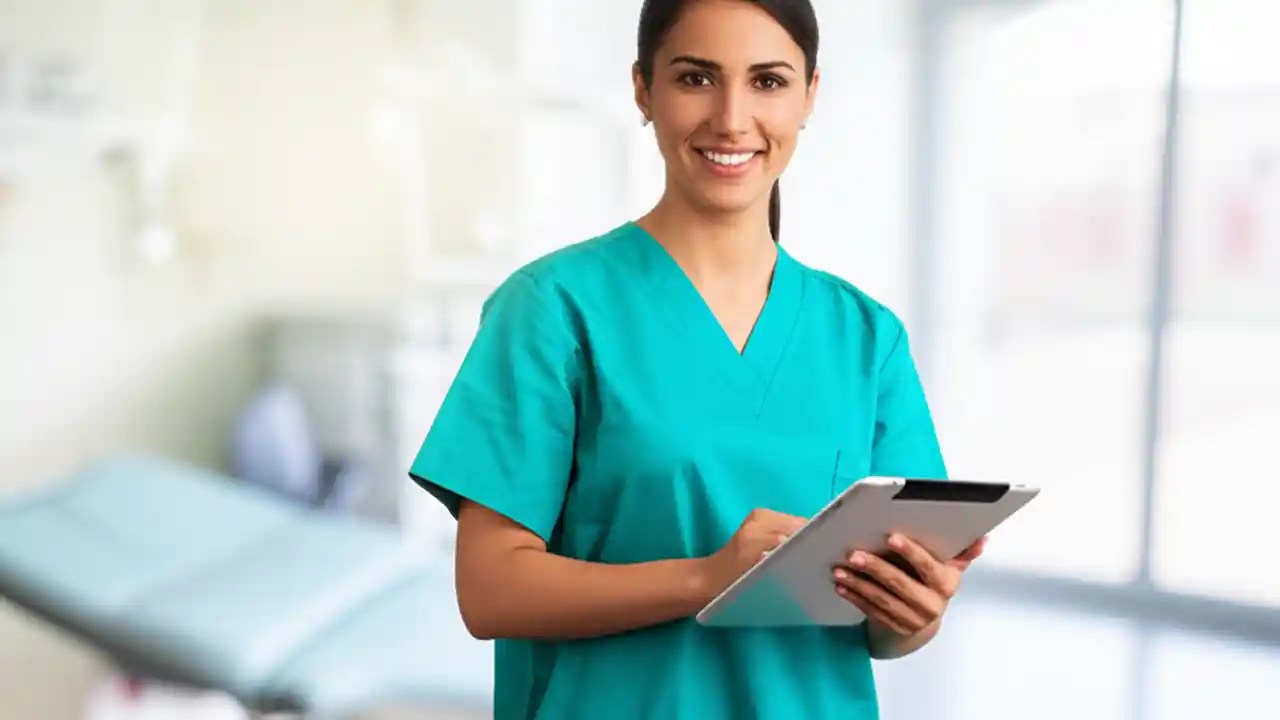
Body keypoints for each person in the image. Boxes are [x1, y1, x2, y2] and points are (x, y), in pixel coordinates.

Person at [409, 0, 986, 717]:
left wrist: (915, 612)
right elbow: (490, 591)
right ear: (643, 89)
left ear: (810, 95)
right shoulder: (551, 309)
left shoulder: (867, 337)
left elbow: (887, 632)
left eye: (768, 82)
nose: (732, 118)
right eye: (696, 78)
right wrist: (708, 578)